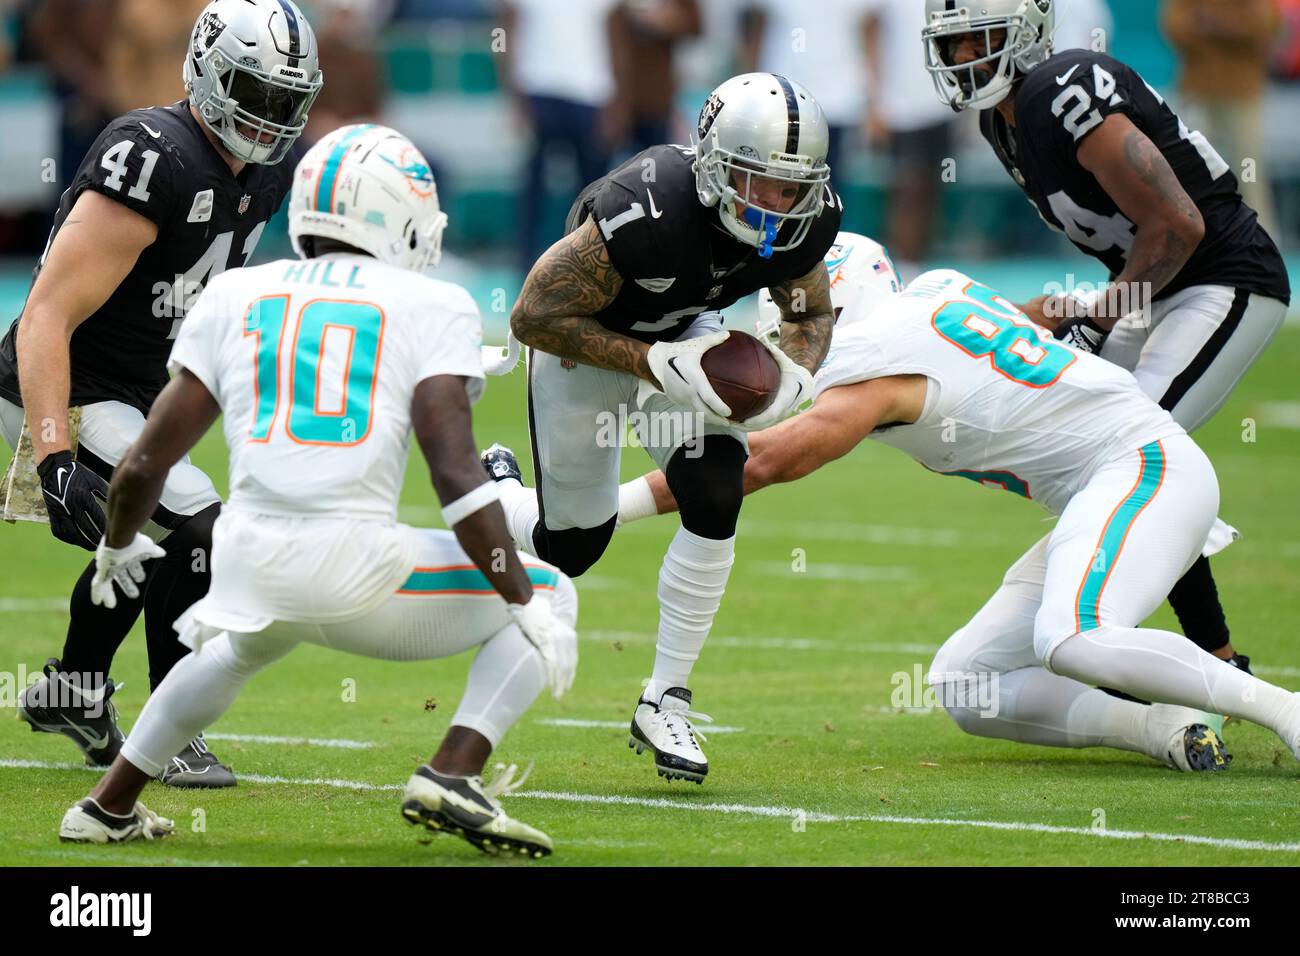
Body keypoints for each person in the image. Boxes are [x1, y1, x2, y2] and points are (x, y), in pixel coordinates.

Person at [57, 124, 578, 858]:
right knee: (554, 593)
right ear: (399, 218)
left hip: (247, 559)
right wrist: (523, 598)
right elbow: (458, 480)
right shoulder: (435, 304)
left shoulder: (237, 292)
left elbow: (145, 461)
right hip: (355, 569)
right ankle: (454, 773)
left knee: (234, 653)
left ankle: (107, 805)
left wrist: (115, 546)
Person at [619, 261, 1300, 772]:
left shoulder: (874, 366)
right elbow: (1036, 317)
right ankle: (1163, 730)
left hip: (1144, 470)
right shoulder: (939, 292)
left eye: (803, 326)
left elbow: (764, 462)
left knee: (1072, 638)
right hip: (1112, 485)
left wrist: (607, 510)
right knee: (964, 683)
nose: (795, 345)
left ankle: (1285, 711)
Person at [920, 0, 1290, 687]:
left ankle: (1201, 658)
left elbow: (1179, 226)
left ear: (1023, 31)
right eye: (954, 44)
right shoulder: (1000, 124)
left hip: (1222, 277)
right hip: (1154, 293)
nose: (964, 58)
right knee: (1096, 449)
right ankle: (1208, 655)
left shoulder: (1062, 89)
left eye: (979, 40)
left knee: (1133, 453)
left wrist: (1101, 318)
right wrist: (1077, 312)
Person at [485, 73, 842, 784]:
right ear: (713, 162)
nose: (774, 204)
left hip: (688, 339)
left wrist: (793, 378)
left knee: (716, 490)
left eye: (788, 187)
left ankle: (665, 696)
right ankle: (496, 493)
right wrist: (652, 360)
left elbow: (808, 315)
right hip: (585, 347)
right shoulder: (645, 209)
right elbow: (532, 317)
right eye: (756, 180)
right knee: (574, 546)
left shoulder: (805, 219)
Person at [3, 0, 323, 787]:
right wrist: (53, 457)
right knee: (194, 525)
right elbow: (48, 313)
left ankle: (78, 690)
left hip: (129, 392)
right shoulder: (154, 156)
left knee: (173, 529)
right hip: (54, 381)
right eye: (258, 93)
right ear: (212, 76)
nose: (272, 117)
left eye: (288, 99)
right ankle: (163, 728)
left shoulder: (268, 171)